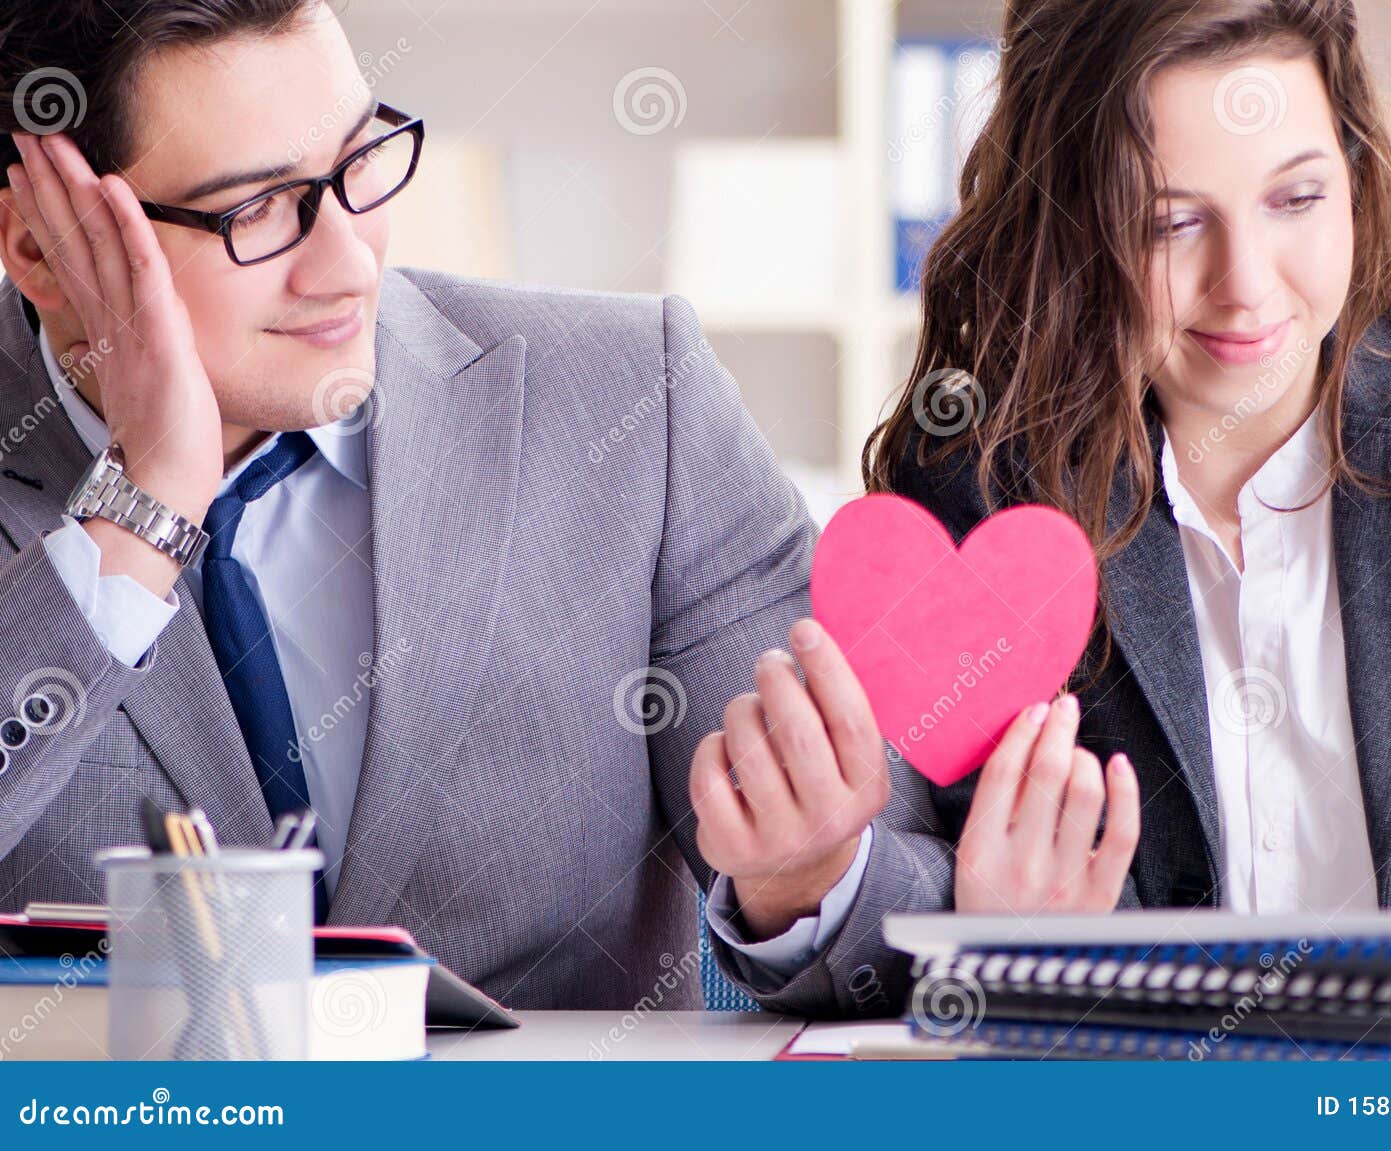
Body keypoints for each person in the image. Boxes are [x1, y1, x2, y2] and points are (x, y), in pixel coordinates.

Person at [0, 0, 942, 1015]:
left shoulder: (634, 403)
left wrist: (804, 885)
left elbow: (914, 916)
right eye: (256, 210)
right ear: (42, 252)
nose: (350, 264)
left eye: (360, 162)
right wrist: (139, 509)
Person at [700, 0, 1391, 1013]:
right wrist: (819, 888)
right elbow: (907, 865)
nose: (1246, 285)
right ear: (1074, 221)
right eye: (1171, 221)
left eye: (1295, 198)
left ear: (1351, 173)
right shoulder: (983, 486)